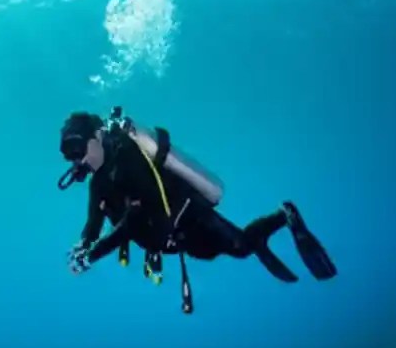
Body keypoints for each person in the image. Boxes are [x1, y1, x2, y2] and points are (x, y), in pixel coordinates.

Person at [56, 107, 336, 313]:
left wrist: (94, 255)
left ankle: (284, 215)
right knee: (228, 251)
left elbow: (134, 220)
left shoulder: (129, 159)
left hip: (190, 214)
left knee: (239, 247)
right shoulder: (100, 182)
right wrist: (84, 244)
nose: (76, 159)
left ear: (98, 135)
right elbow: (94, 219)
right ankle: (260, 237)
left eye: (78, 149)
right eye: (69, 155)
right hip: (175, 236)